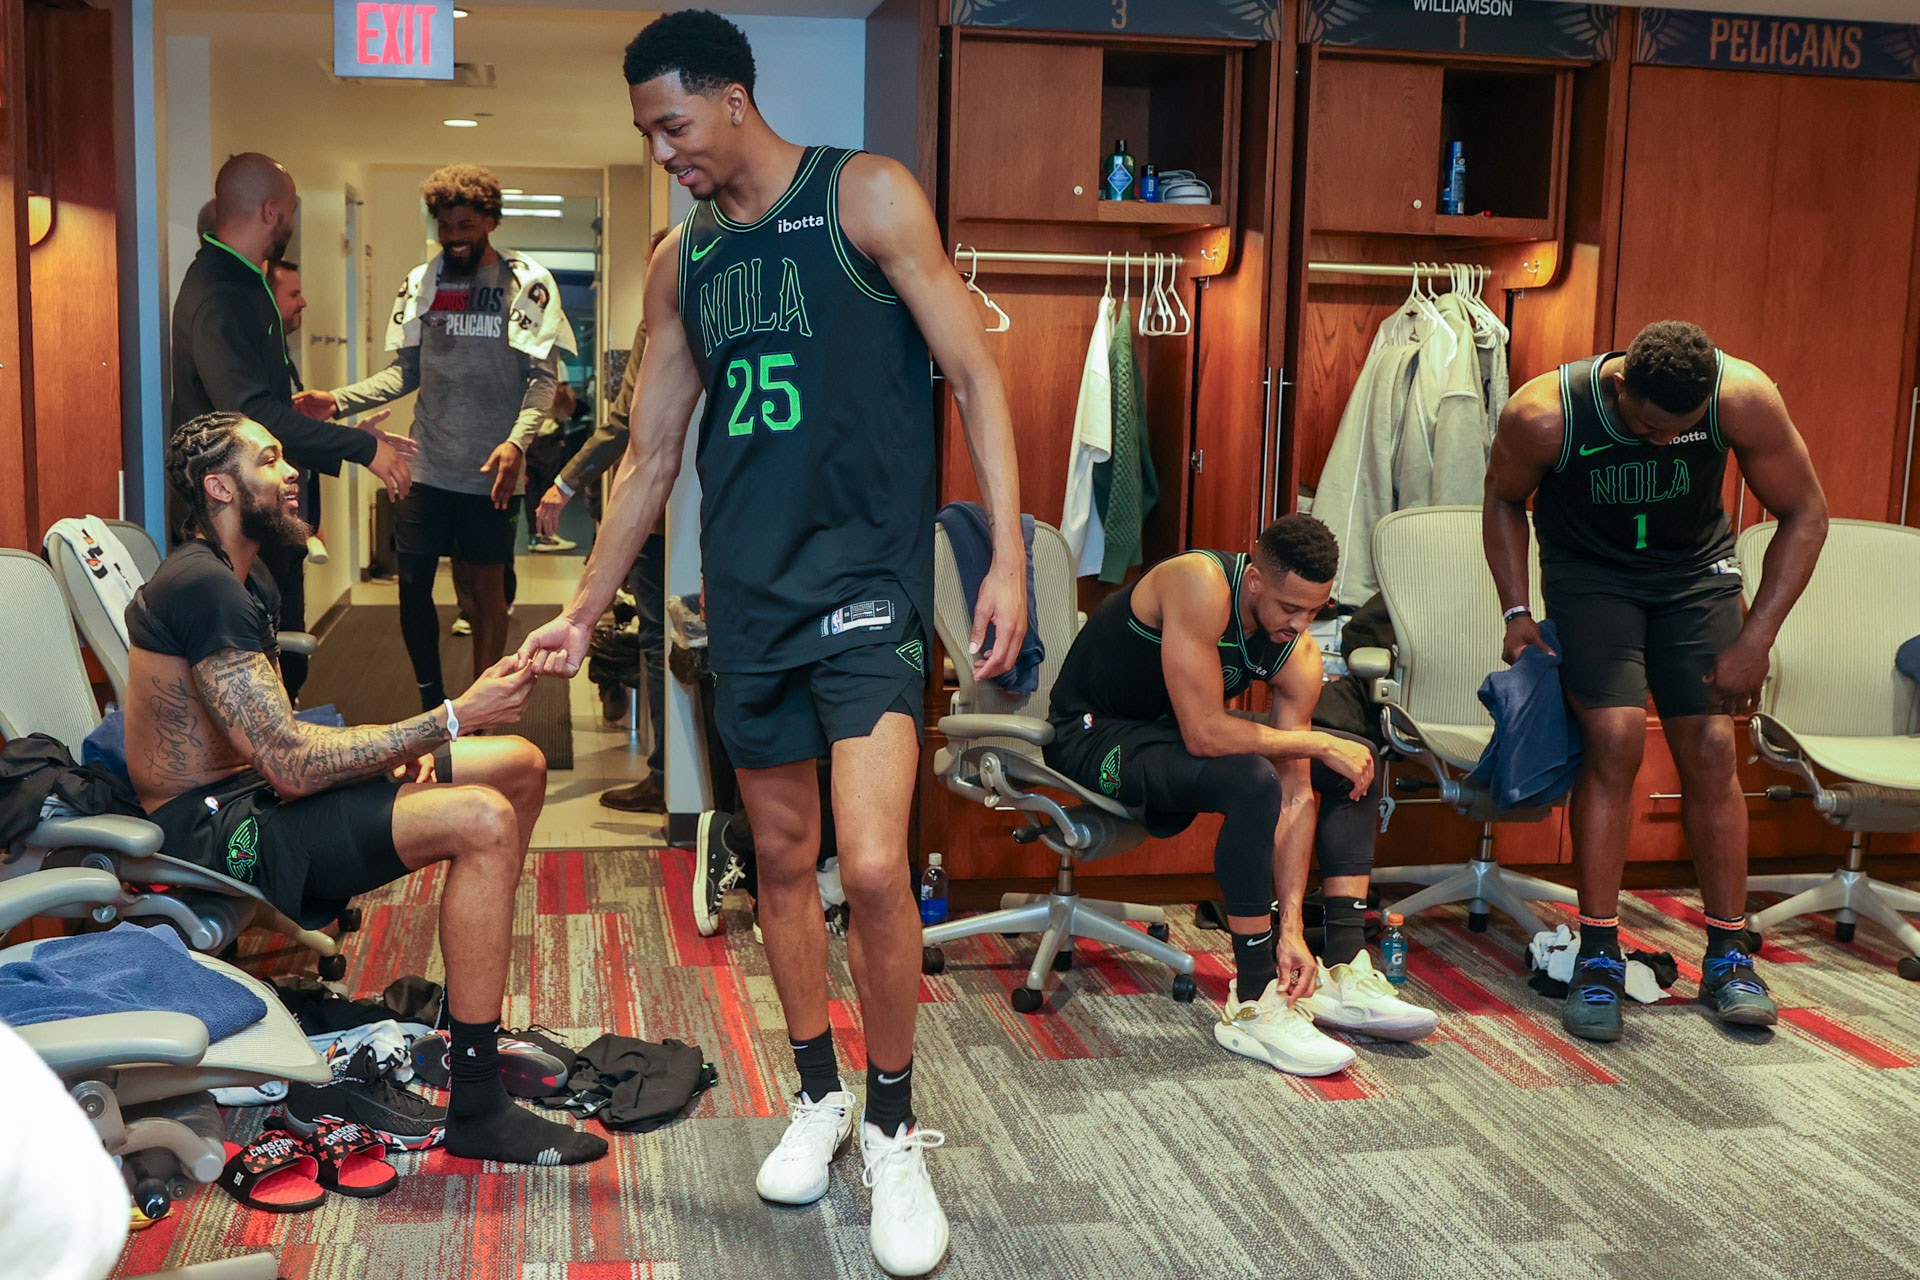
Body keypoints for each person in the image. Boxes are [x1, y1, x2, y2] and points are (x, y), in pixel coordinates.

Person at [519, 14, 1026, 1275]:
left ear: (734, 99)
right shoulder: (682, 262)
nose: (663, 151)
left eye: (673, 126)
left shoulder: (863, 195)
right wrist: (584, 607)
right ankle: (819, 1093)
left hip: (866, 588)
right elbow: (650, 457)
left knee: (869, 861)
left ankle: (895, 1127)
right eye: (646, 132)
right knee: (782, 862)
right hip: (746, 600)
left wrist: (1006, 554)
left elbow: (975, 374)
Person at [120, 410, 607, 1167]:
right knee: (481, 816)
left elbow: (280, 742)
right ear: (220, 486)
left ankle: (462, 1013)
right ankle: (480, 1104)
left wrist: (382, 756)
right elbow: (286, 760)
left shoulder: (245, 575)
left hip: (258, 790)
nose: (291, 474)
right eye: (270, 460)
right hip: (217, 832)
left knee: (516, 765)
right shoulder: (202, 587)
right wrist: (447, 718)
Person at [1485, 320, 1829, 1043]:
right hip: (1590, 578)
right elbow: (1504, 501)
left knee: (1709, 749)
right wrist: (1518, 610)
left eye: (1680, 431)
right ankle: (1600, 955)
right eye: (1647, 428)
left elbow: (1806, 513)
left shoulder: (1742, 398)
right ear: (1619, 387)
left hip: (1694, 577)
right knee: (1612, 740)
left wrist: (1756, 638)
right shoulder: (1545, 414)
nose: (1664, 442)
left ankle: (1732, 953)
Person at [1045, 515, 1436, 1078]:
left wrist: (1295, 928)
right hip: (1093, 732)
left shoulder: (1294, 652)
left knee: (1351, 761)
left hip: (1167, 736)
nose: (1299, 625)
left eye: (1314, 611)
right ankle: (1253, 997)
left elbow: (1298, 793)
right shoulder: (1199, 583)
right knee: (1255, 777)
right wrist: (1318, 741)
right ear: (1255, 579)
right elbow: (1206, 733)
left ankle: (1342, 963)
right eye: (1288, 608)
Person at [295, 164, 574, 713]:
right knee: (413, 587)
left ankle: (481, 710)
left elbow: (543, 383)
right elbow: (406, 373)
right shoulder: (422, 283)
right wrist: (338, 399)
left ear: (491, 220)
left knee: (484, 593)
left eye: (466, 227)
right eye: (446, 228)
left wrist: (516, 444)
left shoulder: (527, 285)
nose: (455, 239)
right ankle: (431, 701)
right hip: (426, 466)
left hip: (490, 474)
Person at [170, 153, 415, 515]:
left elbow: (263, 406)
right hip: (228, 511)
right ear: (271, 211)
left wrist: (307, 423)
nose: (292, 222)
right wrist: (361, 446)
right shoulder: (221, 293)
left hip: (250, 500)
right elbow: (251, 414)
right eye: (291, 210)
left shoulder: (246, 280)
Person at [537, 316, 669, 811]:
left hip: (661, 515)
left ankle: (664, 778)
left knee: (659, 639)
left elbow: (629, 421)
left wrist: (566, 482)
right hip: (720, 508)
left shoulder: (665, 311)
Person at [258, 256, 323, 702]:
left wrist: (312, 518)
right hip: (270, 529)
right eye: (293, 295)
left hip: (292, 528)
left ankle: (292, 702)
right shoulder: (258, 364)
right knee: (281, 640)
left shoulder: (281, 355)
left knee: (293, 646)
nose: (304, 303)